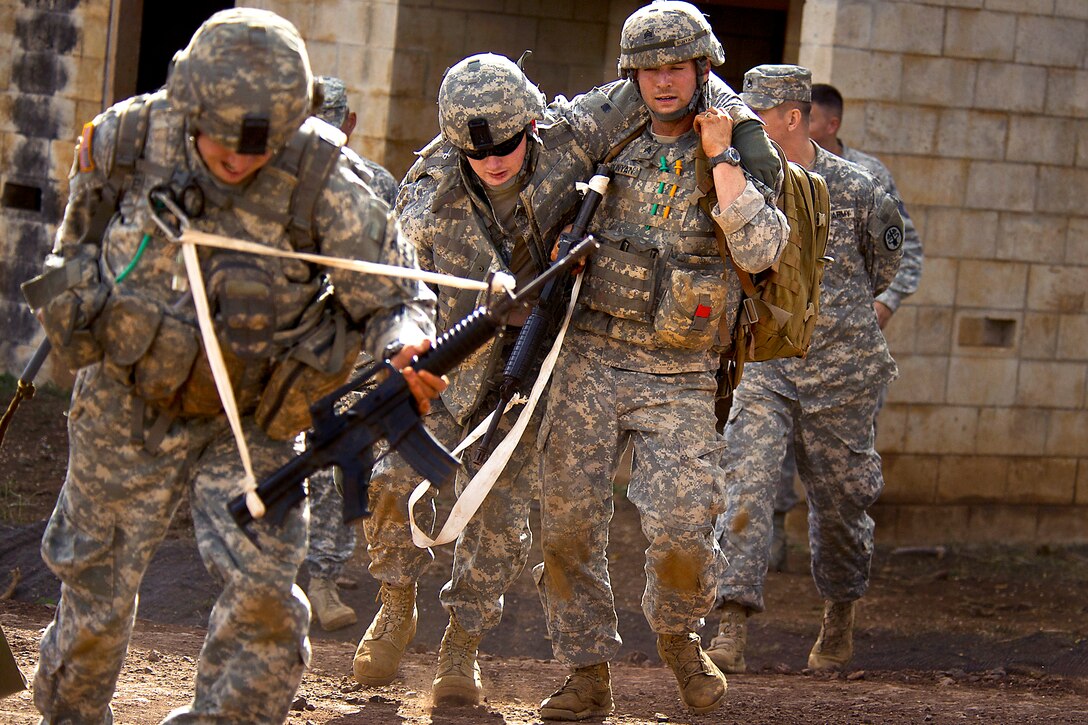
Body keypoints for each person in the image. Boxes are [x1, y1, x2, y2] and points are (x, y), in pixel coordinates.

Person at [24, 9, 443, 723]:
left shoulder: (322, 179)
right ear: (189, 105)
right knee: (92, 595)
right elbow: (71, 252)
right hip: (127, 403)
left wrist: (405, 346)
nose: (239, 158)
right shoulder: (128, 140)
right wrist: (75, 314)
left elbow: (398, 298)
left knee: (266, 603)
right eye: (221, 140)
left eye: (260, 144)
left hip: (251, 419)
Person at [535, 2, 789, 719]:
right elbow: (532, 191)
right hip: (591, 356)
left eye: (676, 66)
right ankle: (585, 670)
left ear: (702, 67)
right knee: (566, 524)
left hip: (679, 369)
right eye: (648, 69)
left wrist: (721, 157)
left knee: (684, 525)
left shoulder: (738, 140)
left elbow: (764, 250)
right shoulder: (606, 133)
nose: (662, 82)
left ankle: (680, 638)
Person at [706, 64, 904, 676]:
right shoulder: (743, 184)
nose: (744, 125)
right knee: (746, 484)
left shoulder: (860, 189)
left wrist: (836, 321)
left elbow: (886, 266)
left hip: (842, 373)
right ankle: (731, 621)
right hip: (767, 367)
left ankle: (839, 609)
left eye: (756, 115)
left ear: (792, 117)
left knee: (842, 500)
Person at [766, 81, 924, 573]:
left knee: (840, 469)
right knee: (763, 450)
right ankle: (766, 540)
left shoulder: (866, 176)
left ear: (825, 124)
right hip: (778, 347)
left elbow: (902, 249)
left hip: (842, 351)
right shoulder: (765, 168)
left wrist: (881, 304)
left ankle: (837, 560)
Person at [301, 75, 401, 632]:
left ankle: (322, 573)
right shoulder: (276, 181)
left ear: (350, 124)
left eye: (331, 121)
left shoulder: (376, 184)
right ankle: (301, 567)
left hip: (354, 348)